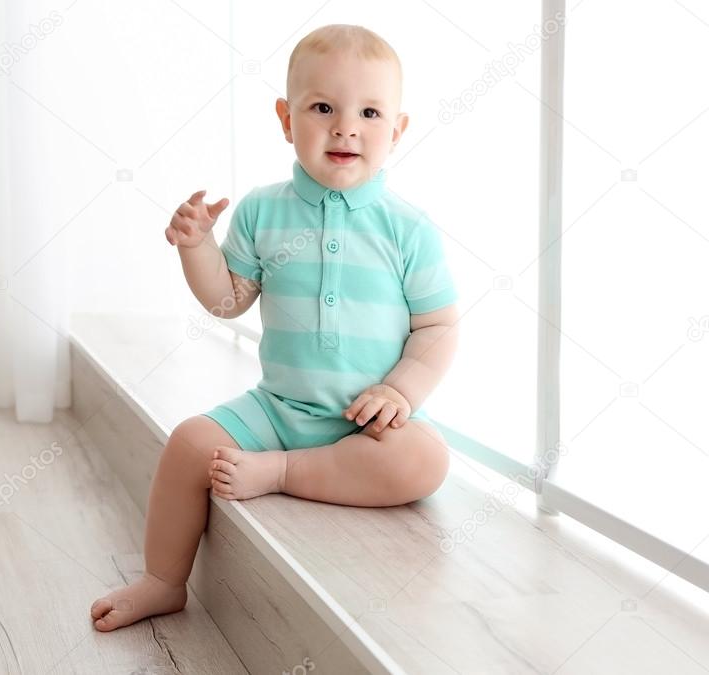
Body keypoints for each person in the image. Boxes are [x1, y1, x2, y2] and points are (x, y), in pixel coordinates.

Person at [91, 23, 460, 632]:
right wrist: (196, 248)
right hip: (278, 408)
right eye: (323, 108)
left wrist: (400, 392)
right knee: (187, 443)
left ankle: (286, 473)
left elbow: (439, 325)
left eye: (369, 112)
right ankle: (162, 580)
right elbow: (227, 301)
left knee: (425, 461)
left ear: (395, 132)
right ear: (287, 120)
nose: (345, 127)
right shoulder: (264, 209)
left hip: (363, 424)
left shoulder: (407, 228)